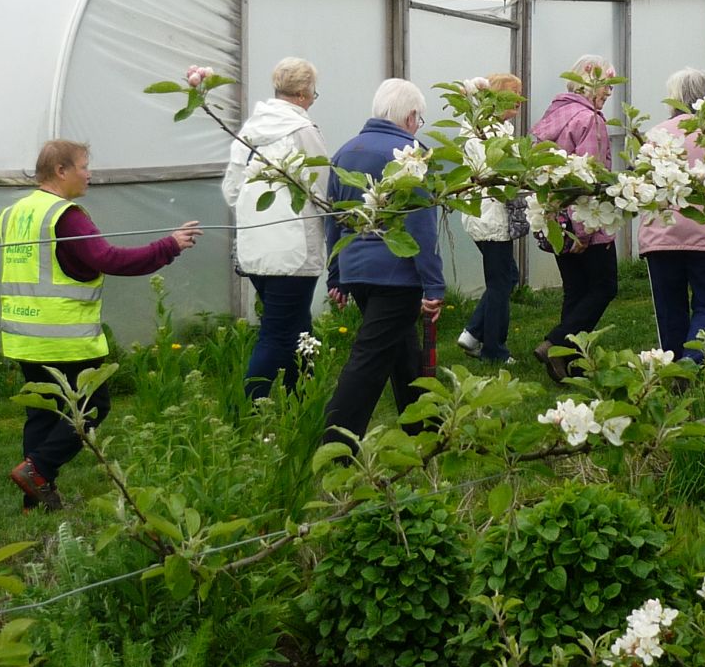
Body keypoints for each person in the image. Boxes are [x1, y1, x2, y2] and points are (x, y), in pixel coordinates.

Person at [0, 139, 199, 511]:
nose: (89, 174)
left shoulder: (15, 212)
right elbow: (109, 259)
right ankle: (38, 469)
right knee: (92, 406)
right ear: (61, 171)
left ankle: (34, 499)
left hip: (24, 335)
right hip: (64, 337)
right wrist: (169, 245)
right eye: (83, 166)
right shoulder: (66, 216)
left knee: (42, 413)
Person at [322, 79, 446, 442]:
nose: (417, 126)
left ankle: (423, 427)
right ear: (410, 116)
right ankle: (336, 442)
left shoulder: (346, 152)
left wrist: (336, 275)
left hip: (356, 269)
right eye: (419, 120)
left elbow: (334, 219)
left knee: (403, 350)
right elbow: (421, 227)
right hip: (396, 274)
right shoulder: (411, 156)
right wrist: (434, 285)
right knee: (370, 357)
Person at [222, 57, 329, 399]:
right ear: (303, 93)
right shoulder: (302, 131)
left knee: (298, 327)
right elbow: (320, 190)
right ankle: (250, 406)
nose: (312, 99)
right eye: (313, 93)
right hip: (294, 251)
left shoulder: (248, 133)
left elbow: (231, 192)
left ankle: (303, 397)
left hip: (255, 250)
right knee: (277, 334)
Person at [638, 69, 705, 361]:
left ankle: (673, 367)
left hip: (662, 236)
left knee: (670, 310)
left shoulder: (655, 135)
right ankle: (691, 361)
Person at [532, 56, 618, 382]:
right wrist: (584, 231)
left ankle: (568, 364)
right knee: (604, 286)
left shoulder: (553, 115)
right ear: (591, 84)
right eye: (606, 86)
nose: (609, 92)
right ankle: (556, 343)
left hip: (555, 219)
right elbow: (587, 179)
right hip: (585, 220)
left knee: (576, 290)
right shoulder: (590, 120)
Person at [456, 73, 529, 365]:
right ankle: (494, 350)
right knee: (500, 283)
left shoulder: (497, 128)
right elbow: (491, 172)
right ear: (494, 97)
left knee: (507, 276)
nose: (519, 101)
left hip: (488, 214)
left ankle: (473, 333)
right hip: (490, 215)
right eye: (512, 94)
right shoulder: (481, 131)